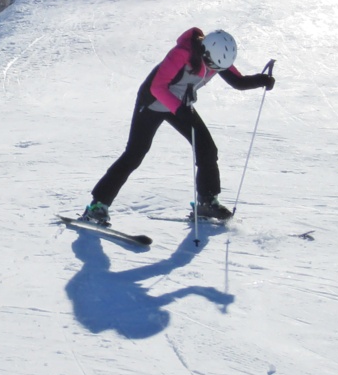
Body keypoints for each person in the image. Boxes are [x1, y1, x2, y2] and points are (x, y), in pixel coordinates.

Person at [82, 28, 274, 226]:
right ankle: (98, 205)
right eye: (211, 65)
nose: (213, 70)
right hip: (152, 103)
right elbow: (157, 87)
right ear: (204, 51)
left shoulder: (217, 57)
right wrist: (180, 110)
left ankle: (207, 202)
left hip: (179, 104)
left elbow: (238, 81)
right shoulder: (182, 53)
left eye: (217, 68)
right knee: (135, 153)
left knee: (207, 148)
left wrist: (261, 80)